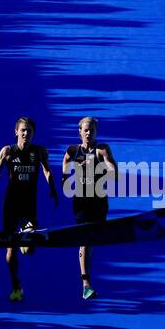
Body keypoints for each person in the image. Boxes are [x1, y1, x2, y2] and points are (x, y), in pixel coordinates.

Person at [0, 117, 58, 302]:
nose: (26, 133)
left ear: (33, 133)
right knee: (10, 249)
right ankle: (16, 286)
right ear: (16, 132)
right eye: (23, 130)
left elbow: (47, 171)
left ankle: (24, 235)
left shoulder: (40, 151)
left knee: (29, 250)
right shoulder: (8, 151)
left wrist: (53, 190)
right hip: (11, 205)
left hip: (29, 206)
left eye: (29, 131)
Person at [62, 117, 117, 300]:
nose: (88, 133)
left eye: (92, 130)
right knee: (85, 239)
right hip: (81, 203)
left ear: (96, 132)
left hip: (99, 202)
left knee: (93, 239)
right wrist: (64, 178)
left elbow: (113, 170)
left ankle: (87, 279)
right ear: (79, 131)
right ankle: (86, 284)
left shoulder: (102, 150)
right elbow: (66, 160)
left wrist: (97, 166)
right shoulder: (72, 150)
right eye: (85, 130)